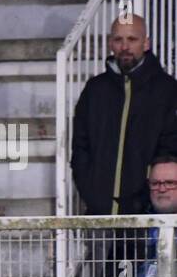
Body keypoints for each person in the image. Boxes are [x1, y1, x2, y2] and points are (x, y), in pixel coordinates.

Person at [71, 14, 177, 217]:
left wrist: (148, 196)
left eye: (132, 39)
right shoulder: (94, 90)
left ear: (146, 43)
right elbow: (80, 148)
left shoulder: (167, 90)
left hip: (149, 214)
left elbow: (170, 148)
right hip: (99, 213)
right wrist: (90, 191)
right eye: (118, 39)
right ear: (111, 43)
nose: (125, 46)